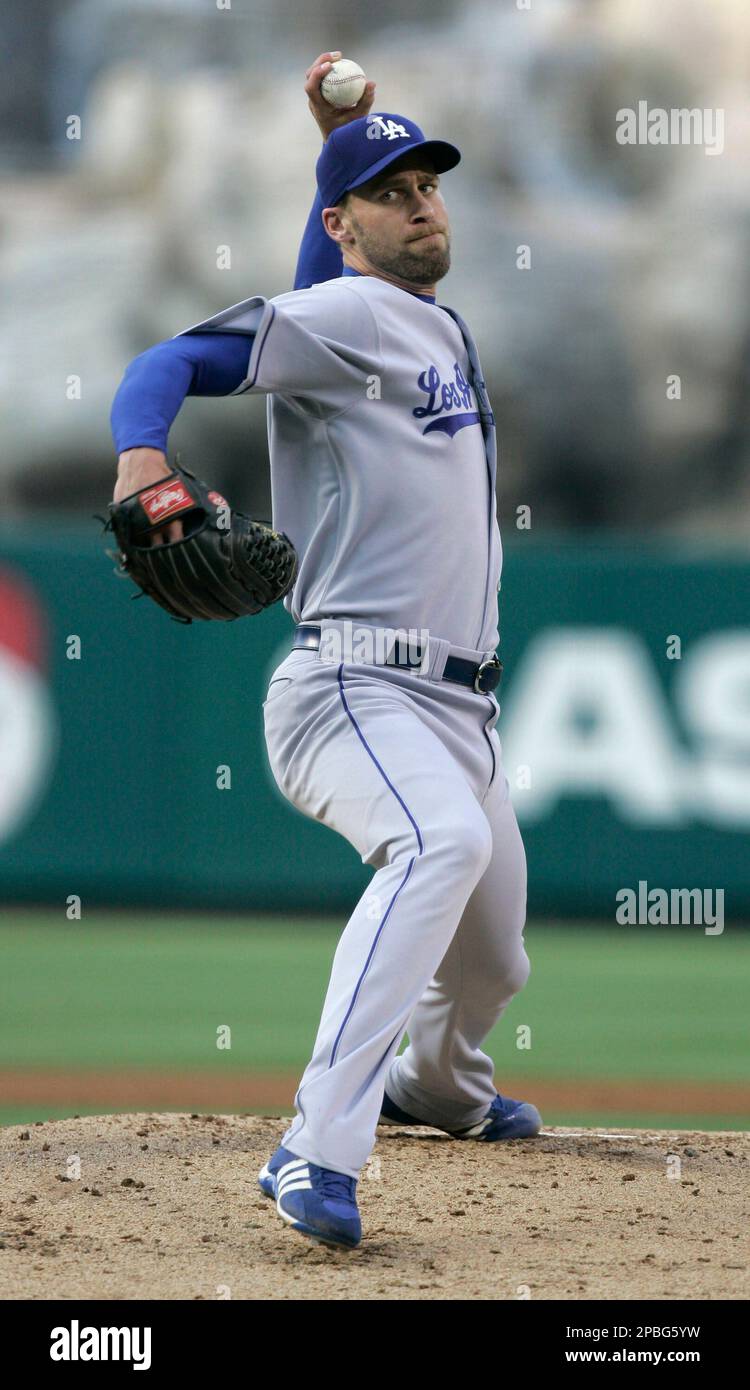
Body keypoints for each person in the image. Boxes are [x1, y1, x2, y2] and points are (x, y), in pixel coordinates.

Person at [110, 53, 540, 1251]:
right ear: (347, 224)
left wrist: (338, 152)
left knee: (495, 954)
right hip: (352, 683)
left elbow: (313, 327)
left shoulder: (414, 323)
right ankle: (315, 1144)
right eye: (392, 191)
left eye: (430, 186)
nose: (424, 204)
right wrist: (144, 454)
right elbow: (170, 362)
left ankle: (436, 1088)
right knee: (437, 844)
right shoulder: (356, 311)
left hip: (459, 714)